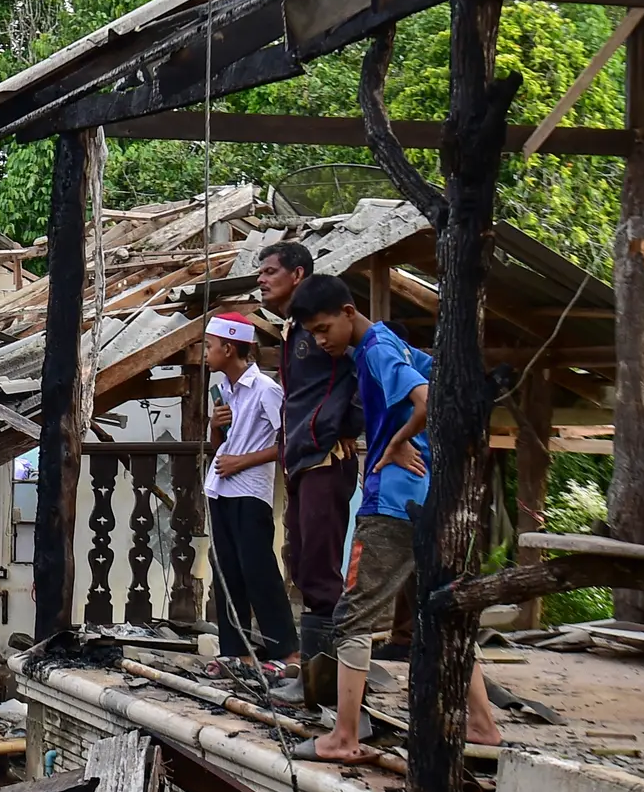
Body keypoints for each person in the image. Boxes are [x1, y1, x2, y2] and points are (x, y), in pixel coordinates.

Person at [285, 273, 500, 763]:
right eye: (312, 335)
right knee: (442, 611)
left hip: (392, 501)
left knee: (354, 614)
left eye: (323, 329)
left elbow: (426, 403)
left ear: (347, 311)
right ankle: (483, 724)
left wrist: (400, 441)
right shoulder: (391, 345)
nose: (321, 341)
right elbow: (442, 392)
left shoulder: (379, 347)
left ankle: (343, 736)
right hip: (429, 497)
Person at [253, 240, 363, 700]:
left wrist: (341, 428)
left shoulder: (324, 330)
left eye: (270, 270)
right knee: (302, 563)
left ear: (298, 276)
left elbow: (368, 376)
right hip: (301, 460)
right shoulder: (293, 333)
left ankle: (333, 684)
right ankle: (316, 678)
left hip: (325, 458)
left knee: (320, 570)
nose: (261, 278)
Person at [202, 312, 297, 669]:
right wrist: (214, 426)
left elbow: (287, 441)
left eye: (209, 347)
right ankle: (236, 650)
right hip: (220, 489)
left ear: (229, 348)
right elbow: (219, 448)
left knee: (258, 568)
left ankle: (286, 651)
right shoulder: (223, 390)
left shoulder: (266, 390)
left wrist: (241, 462)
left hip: (249, 491)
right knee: (226, 570)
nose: (205, 353)